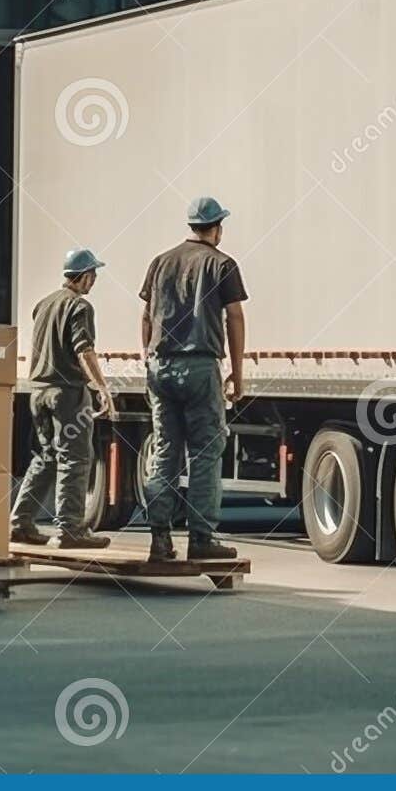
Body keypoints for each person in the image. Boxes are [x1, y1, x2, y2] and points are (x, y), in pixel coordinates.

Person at [139, 197, 247, 561]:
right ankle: (201, 539)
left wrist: (148, 360)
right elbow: (235, 318)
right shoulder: (222, 264)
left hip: (161, 365)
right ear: (217, 228)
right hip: (199, 366)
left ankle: (160, 539)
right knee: (204, 452)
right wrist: (237, 373)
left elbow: (146, 316)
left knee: (165, 451)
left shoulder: (160, 262)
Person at [9, 248, 117, 549]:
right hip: (67, 393)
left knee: (47, 456)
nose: (94, 281)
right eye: (93, 275)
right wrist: (102, 389)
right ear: (84, 276)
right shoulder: (79, 306)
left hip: (38, 392)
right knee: (75, 458)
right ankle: (70, 530)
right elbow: (84, 351)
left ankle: (20, 523)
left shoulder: (44, 304)